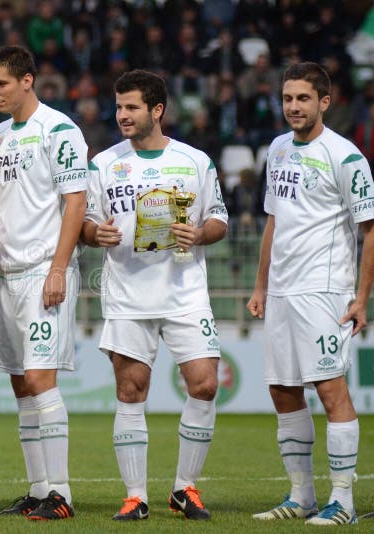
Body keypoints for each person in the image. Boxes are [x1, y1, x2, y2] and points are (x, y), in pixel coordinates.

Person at [81, 69, 228, 521]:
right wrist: (96, 233)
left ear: (157, 110)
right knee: (131, 390)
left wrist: (199, 233)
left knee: (204, 383)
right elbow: (84, 222)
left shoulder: (195, 162)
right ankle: (136, 496)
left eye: (131, 107)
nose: (121, 115)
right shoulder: (103, 163)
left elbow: (220, 220)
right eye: (119, 107)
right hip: (128, 295)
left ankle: (185, 489)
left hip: (185, 292)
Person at [247, 62, 374, 526]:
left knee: (329, 389)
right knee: (283, 390)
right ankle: (302, 495)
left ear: (324, 101)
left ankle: (343, 499)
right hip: (282, 290)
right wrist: (261, 284)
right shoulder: (278, 149)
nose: (293, 107)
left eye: (303, 98)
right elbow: (273, 222)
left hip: (324, 290)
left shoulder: (345, 156)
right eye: (287, 98)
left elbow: (370, 230)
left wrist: (361, 297)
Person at [0, 45, 86, 521]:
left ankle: (60, 492)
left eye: (1, 83)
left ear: (27, 80)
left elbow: (76, 203)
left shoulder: (59, 130)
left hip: (45, 269)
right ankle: (38, 488)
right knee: (22, 384)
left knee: (42, 379)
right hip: (9, 273)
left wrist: (60, 268)